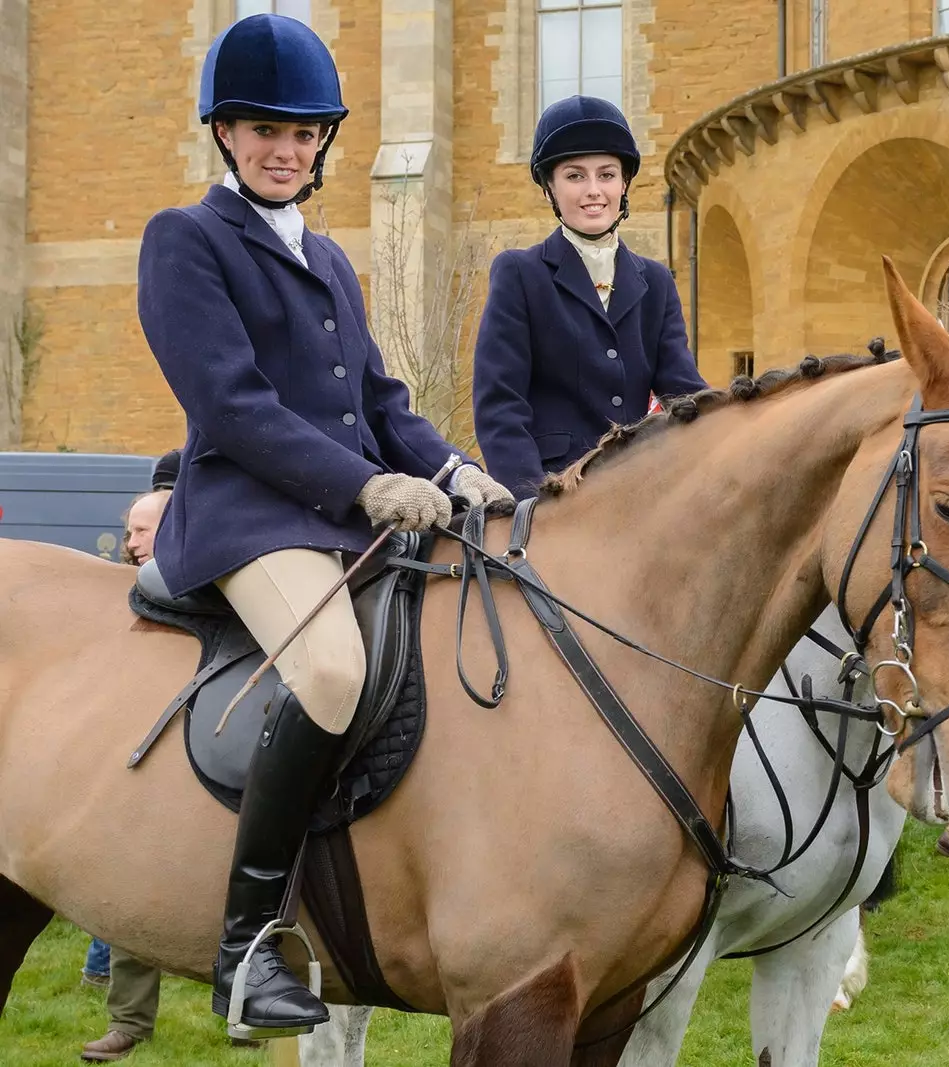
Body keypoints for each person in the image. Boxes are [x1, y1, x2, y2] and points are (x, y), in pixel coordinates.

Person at [137, 14, 512, 1038]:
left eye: (303, 133)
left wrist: (452, 468)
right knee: (335, 672)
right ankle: (245, 946)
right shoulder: (186, 240)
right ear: (223, 132)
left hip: (343, 521)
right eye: (263, 129)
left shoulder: (334, 260)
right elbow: (234, 406)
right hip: (247, 516)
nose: (285, 149)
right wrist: (366, 487)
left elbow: (383, 401)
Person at [472, 95, 708, 499]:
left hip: (638, 488)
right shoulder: (519, 273)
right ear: (550, 188)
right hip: (553, 495)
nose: (594, 191)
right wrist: (535, 506)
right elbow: (500, 407)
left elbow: (684, 395)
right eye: (575, 176)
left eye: (607, 174)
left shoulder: (656, 281)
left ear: (624, 183)